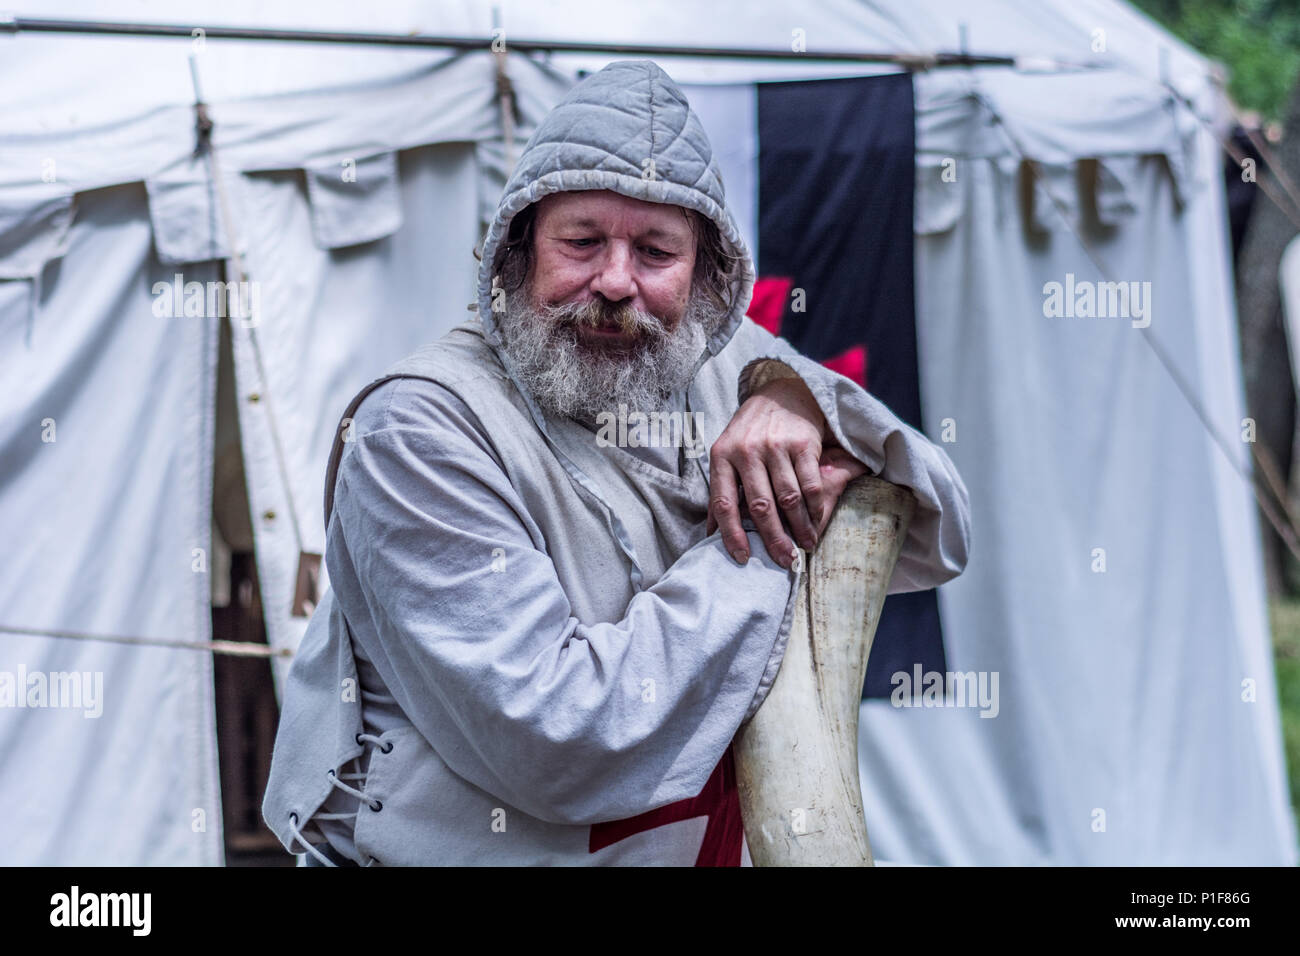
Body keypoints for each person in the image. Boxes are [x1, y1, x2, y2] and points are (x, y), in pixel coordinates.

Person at [262, 59, 971, 866]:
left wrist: (793, 398)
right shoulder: (418, 432)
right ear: (517, 251)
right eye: (582, 241)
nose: (615, 282)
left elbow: (933, 526)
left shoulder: (716, 361)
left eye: (656, 251)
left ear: (706, 278)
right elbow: (562, 739)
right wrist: (773, 544)